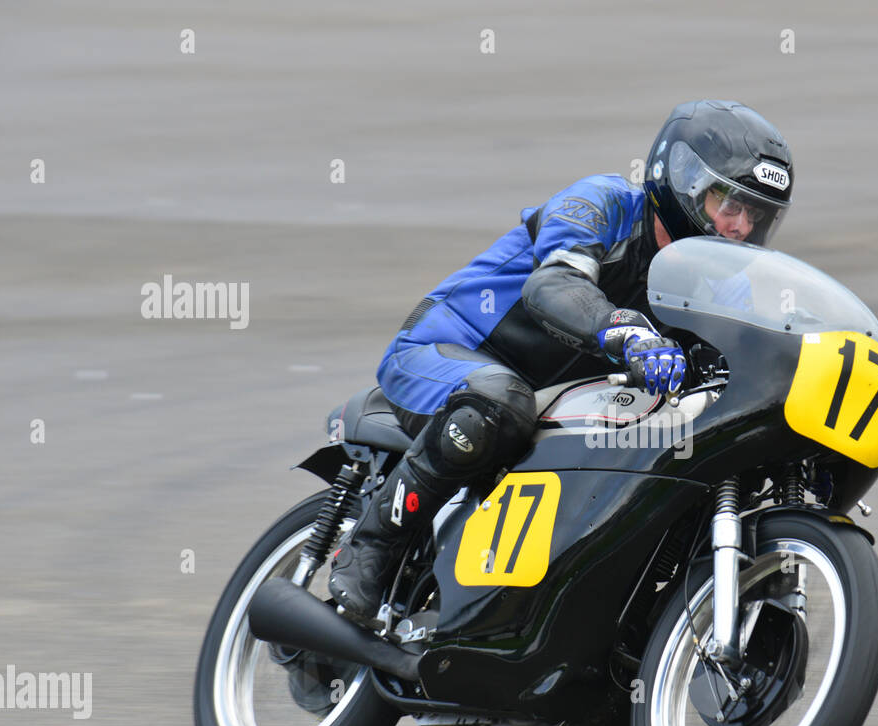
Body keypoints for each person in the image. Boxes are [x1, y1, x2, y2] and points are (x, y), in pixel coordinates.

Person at [328, 99, 795, 624]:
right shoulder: (602, 202)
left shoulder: (718, 283)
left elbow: (739, 354)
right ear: (682, 179)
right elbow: (554, 285)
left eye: (756, 216)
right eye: (728, 204)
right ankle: (369, 548)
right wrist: (628, 331)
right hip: (443, 350)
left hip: (546, 404)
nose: (738, 227)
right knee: (498, 401)